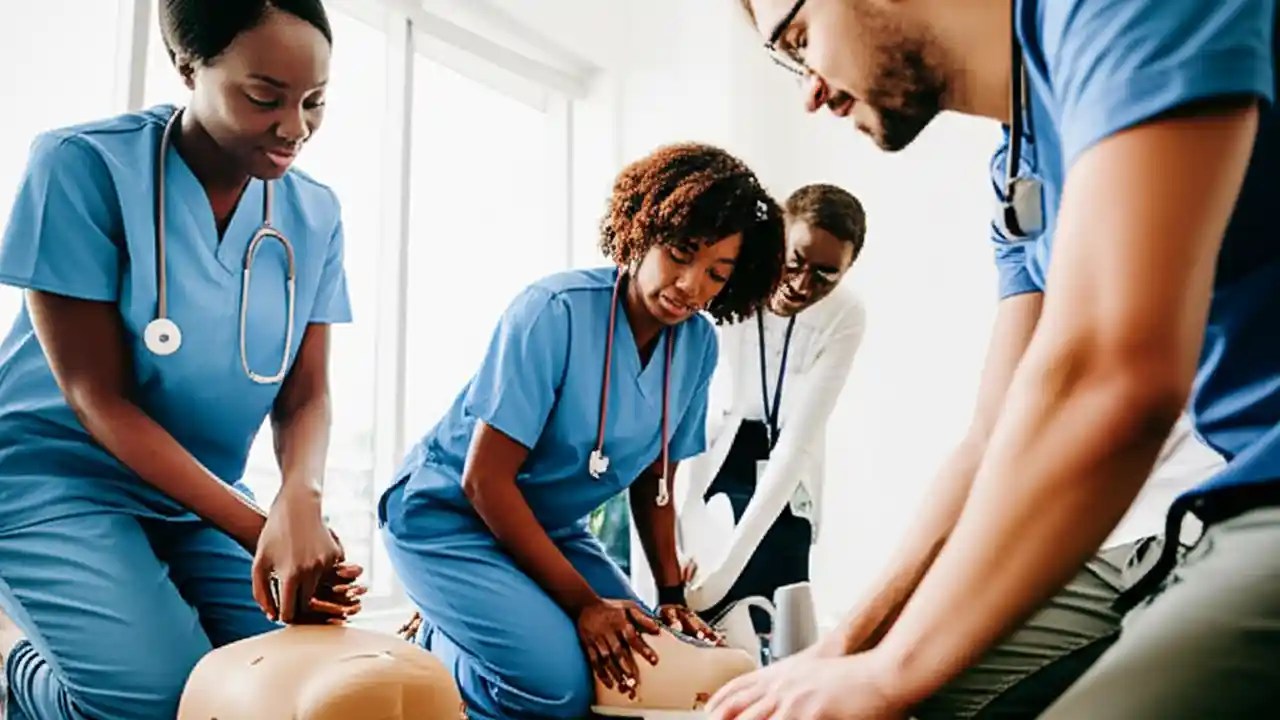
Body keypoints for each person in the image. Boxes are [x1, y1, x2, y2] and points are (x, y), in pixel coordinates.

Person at [708, 1, 1279, 719]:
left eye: (800, 41)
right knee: (913, 695)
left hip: (1260, 494)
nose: (810, 91)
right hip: (1195, 518)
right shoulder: (1018, 165)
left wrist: (891, 673)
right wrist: (848, 646)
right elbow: (992, 436)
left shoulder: (1118, 12)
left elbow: (1113, 377)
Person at [0, 2, 364, 718]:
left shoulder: (315, 214)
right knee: (161, 700)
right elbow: (95, 396)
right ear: (187, 68)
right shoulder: (84, 166)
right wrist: (264, 532)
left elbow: (305, 393)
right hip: (51, 483)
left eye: (314, 101)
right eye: (265, 97)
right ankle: (21, 673)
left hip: (198, 494)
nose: (295, 127)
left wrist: (301, 502)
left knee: (296, 681)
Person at [378, 142, 787, 720]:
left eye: (716, 274)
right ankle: (440, 643)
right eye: (680, 254)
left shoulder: (696, 346)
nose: (691, 286)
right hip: (448, 518)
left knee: (635, 663)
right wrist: (584, 604)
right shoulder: (555, 310)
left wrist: (671, 596)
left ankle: (482, 633)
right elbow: (484, 482)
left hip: (547, 529)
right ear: (643, 229)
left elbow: (655, 482)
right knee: (557, 687)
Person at [644, 184, 868, 642]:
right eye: (795, 261)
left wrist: (722, 575)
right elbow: (686, 421)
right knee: (693, 621)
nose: (804, 284)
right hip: (710, 452)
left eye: (827, 274)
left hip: (785, 472)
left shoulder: (845, 314)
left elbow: (798, 444)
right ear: (777, 239)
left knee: (777, 627)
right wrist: (679, 545)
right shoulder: (730, 283)